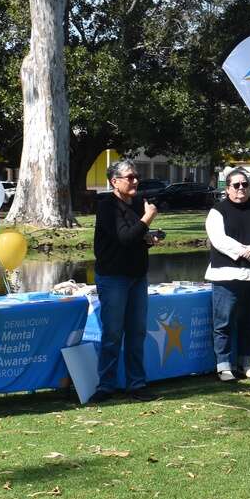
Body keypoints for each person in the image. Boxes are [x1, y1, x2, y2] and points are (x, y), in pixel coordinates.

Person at [92, 159, 160, 402]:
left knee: (136, 332)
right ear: (114, 181)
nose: (135, 181)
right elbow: (124, 238)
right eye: (129, 177)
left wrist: (148, 238)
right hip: (113, 278)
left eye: (136, 176)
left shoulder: (137, 204)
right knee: (112, 333)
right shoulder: (106, 206)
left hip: (137, 276)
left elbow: (135, 238)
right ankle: (106, 386)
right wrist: (147, 219)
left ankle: (136, 384)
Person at [206, 167, 250, 382]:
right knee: (224, 323)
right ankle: (224, 367)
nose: (241, 188)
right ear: (227, 188)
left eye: (245, 184)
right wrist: (247, 253)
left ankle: (246, 364)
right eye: (236, 185)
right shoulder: (217, 211)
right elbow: (219, 240)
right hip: (226, 276)